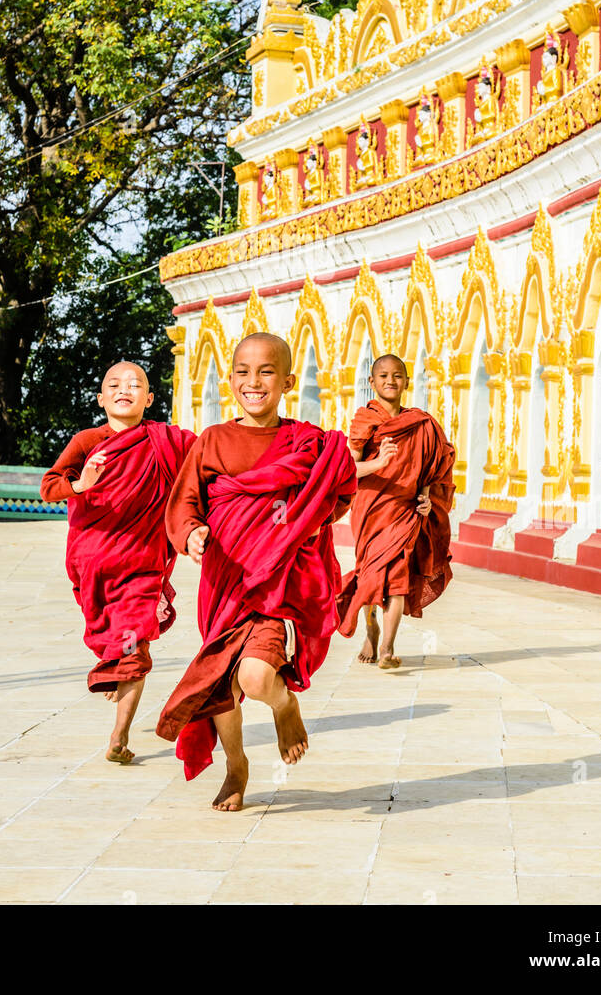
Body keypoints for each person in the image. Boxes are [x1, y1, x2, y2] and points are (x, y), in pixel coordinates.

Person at [156, 333, 356, 811]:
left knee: (256, 678)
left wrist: (304, 525)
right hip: (224, 579)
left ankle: (284, 705)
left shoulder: (307, 443)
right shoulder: (213, 441)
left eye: (266, 371)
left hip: (274, 584)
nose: (254, 381)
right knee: (219, 681)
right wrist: (190, 534)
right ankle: (235, 764)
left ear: (287, 380)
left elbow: (337, 488)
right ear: (230, 380)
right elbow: (183, 502)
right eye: (243, 372)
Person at [41, 362, 194, 764]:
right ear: (101, 398)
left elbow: (208, 462)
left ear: (150, 399)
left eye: (135, 384)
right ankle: (115, 664)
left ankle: (119, 734)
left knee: (134, 646)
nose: (124, 389)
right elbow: (49, 486)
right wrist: (80, 484)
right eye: (114, 384)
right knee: (116, 636)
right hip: (93, 561)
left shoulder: (166, 440)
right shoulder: (87, 440)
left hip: (143, 561)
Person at [337, 353, 455, 669]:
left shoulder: (422, 423)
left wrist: (428, 499)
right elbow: (347, 468)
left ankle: (387, 648)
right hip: (372, 510)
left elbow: (433, 465)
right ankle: (371, 628)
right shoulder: (364, 420)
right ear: (372, 382)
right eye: (384, 376)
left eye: (397, 375)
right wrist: (378, 463)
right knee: (372, 575)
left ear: (406, 381)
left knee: (398, 577)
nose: (391, 381)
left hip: (405, 511)